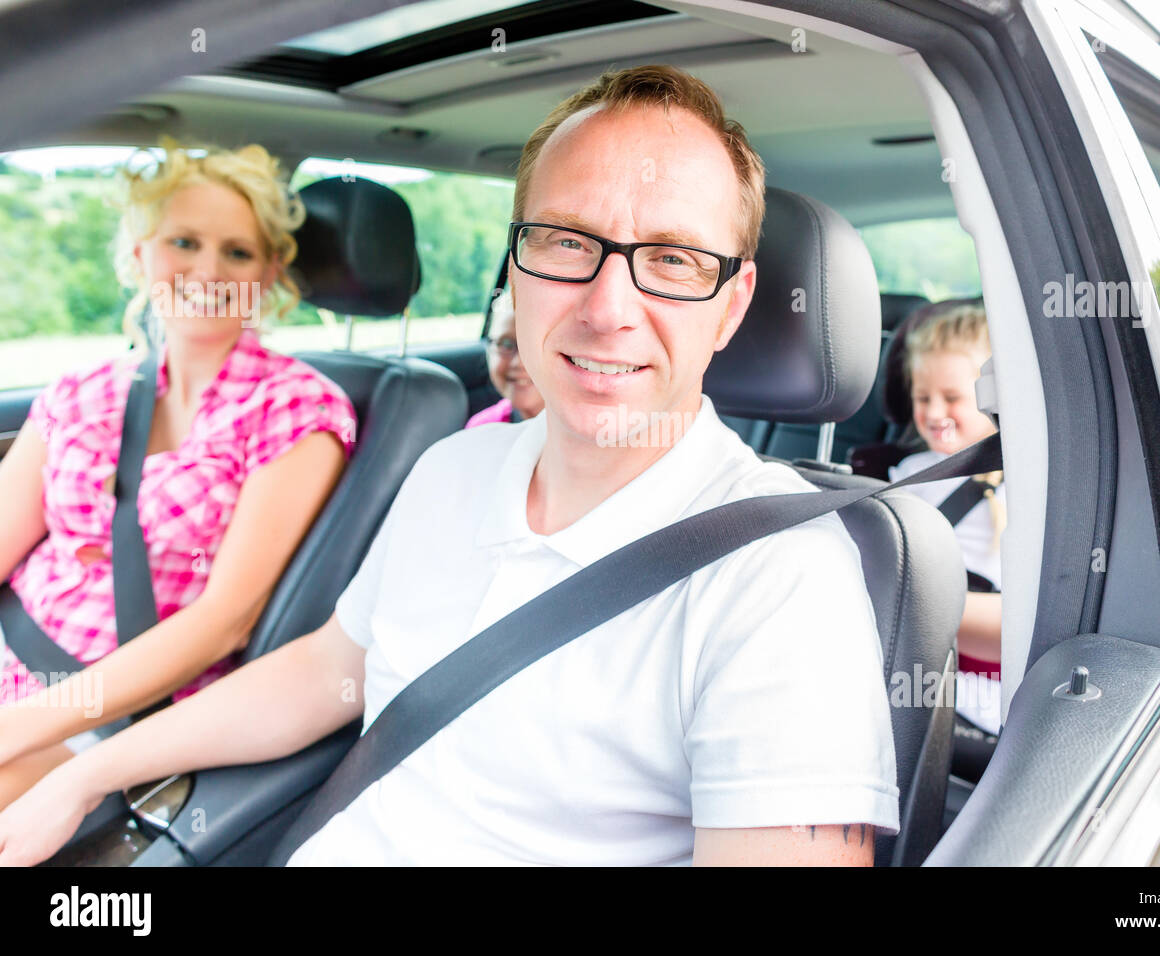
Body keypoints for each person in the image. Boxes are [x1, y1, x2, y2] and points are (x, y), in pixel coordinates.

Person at [0, 65, 897, 867]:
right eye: (566, 242)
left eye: (672, 259)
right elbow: (324, 674)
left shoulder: (783, 575)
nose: (608, 307)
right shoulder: (453, 467)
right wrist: (86, 776)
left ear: (734, 304)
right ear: (515, 264)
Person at [0, 141, 357, 810]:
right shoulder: (79, 391)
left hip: (112, 713)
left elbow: (225, 620)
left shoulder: (296, 409)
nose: (207, 269)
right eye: (184, 241)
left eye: (238, 252)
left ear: (271, 270)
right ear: (141, 256)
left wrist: (14, 729)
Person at [887, 298, 1004, 738]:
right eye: (923, 398)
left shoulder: (1020, 487)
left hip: (979, 693)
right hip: (908, 663)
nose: (935, 414)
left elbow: (1017, 622)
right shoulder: (906, 475)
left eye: (953, 398)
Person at [466, 288, 544, 426]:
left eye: (534, 345)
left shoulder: (589, 433)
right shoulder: (481, 429)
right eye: (506, 344)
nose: (519, 362)